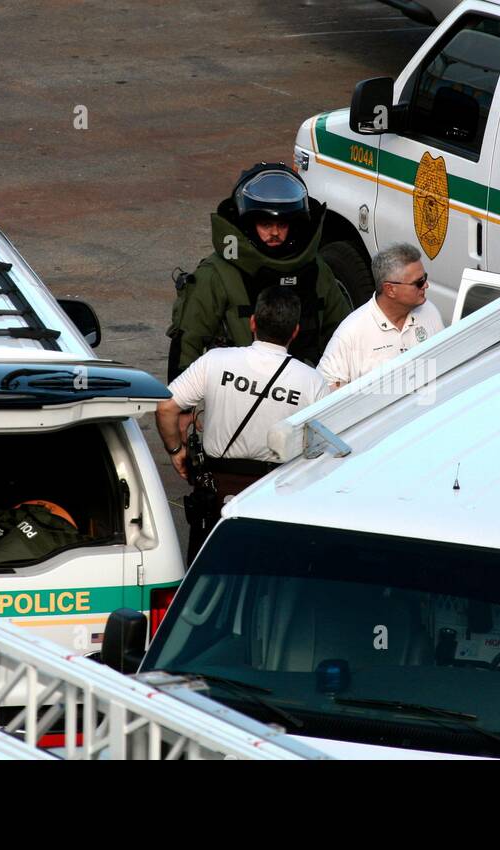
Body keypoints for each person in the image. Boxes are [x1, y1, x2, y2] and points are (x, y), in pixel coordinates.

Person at [157, 287, 329, 560]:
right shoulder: (312, 381)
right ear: (294, 331)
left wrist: (176, 451)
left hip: (214, 493)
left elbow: (167, 406)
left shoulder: (215, 361)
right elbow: (321, 447)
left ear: (252, 323)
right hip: (274, 495)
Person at [167, 162, 352, 380]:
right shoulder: (216, 274)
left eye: (282, 225)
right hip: (235, 389)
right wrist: (182, 406)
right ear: (247, 223)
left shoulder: (316, 270)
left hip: (304, 389)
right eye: (266, 224)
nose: (275, 232)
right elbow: (188, 341)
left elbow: (344, 336)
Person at [317, 243, 445, 389]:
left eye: (425, 278)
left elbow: (446, 360)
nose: (426, 285)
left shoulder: (429, 311)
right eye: (419, 282)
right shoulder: (351, 333)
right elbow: (326, 388)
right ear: (390, 289)